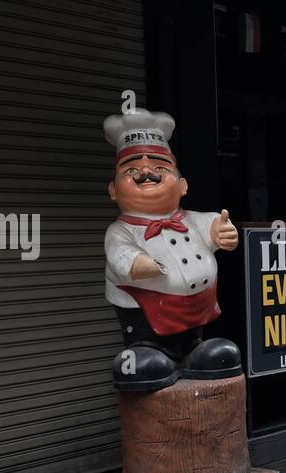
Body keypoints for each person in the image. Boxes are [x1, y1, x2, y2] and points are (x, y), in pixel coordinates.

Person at [102, 108, 242, 391]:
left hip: (195, 316)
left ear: (182, 186)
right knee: (145, 362)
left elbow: (215, 223)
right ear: (113, 190)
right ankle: (144, 352)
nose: (145, 172)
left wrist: (224, 233)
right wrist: (139, 263)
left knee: (208, 353)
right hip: (143, 319)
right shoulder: (121, 230)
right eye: (131, 169)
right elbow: (121, 256)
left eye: (160, 168)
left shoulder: (193, 219)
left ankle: (194, 352)